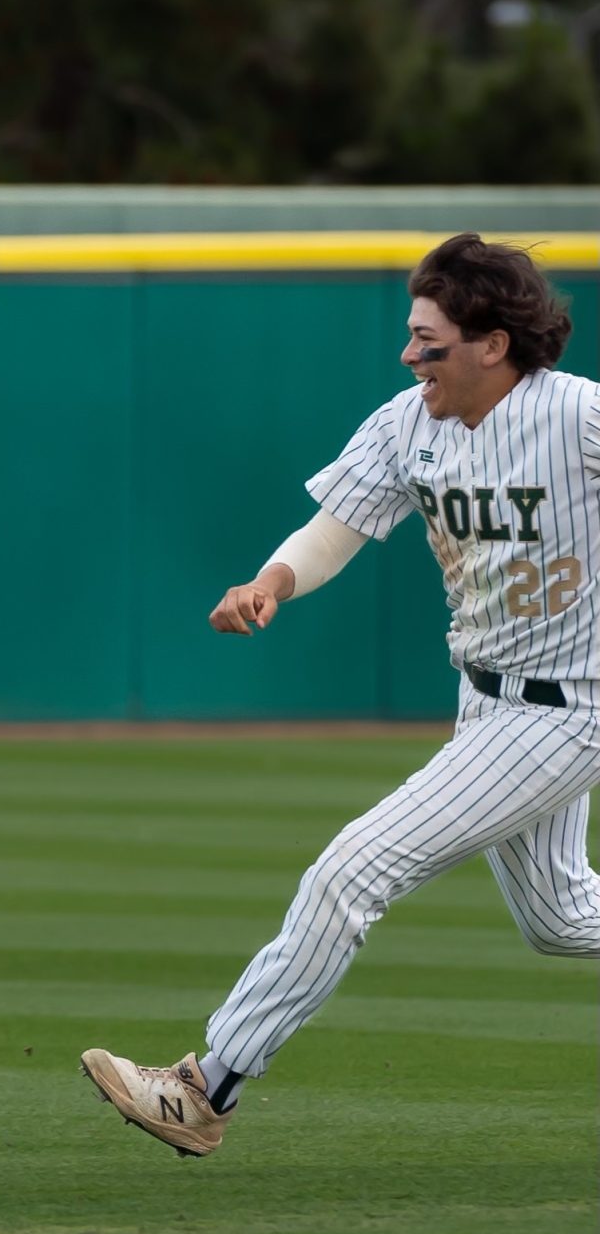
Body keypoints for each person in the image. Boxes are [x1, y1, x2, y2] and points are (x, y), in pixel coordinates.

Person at [83, 234, 600, 1158]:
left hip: (568, 709)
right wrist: (271, 582)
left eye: (429, 340)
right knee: (561, 922)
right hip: (485, 700)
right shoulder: (408, 423)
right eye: (411, 335)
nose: (410, 355)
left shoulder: (578, 418)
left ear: (494, 342)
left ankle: (207, 1089)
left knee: (352, 868)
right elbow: (333, 530)